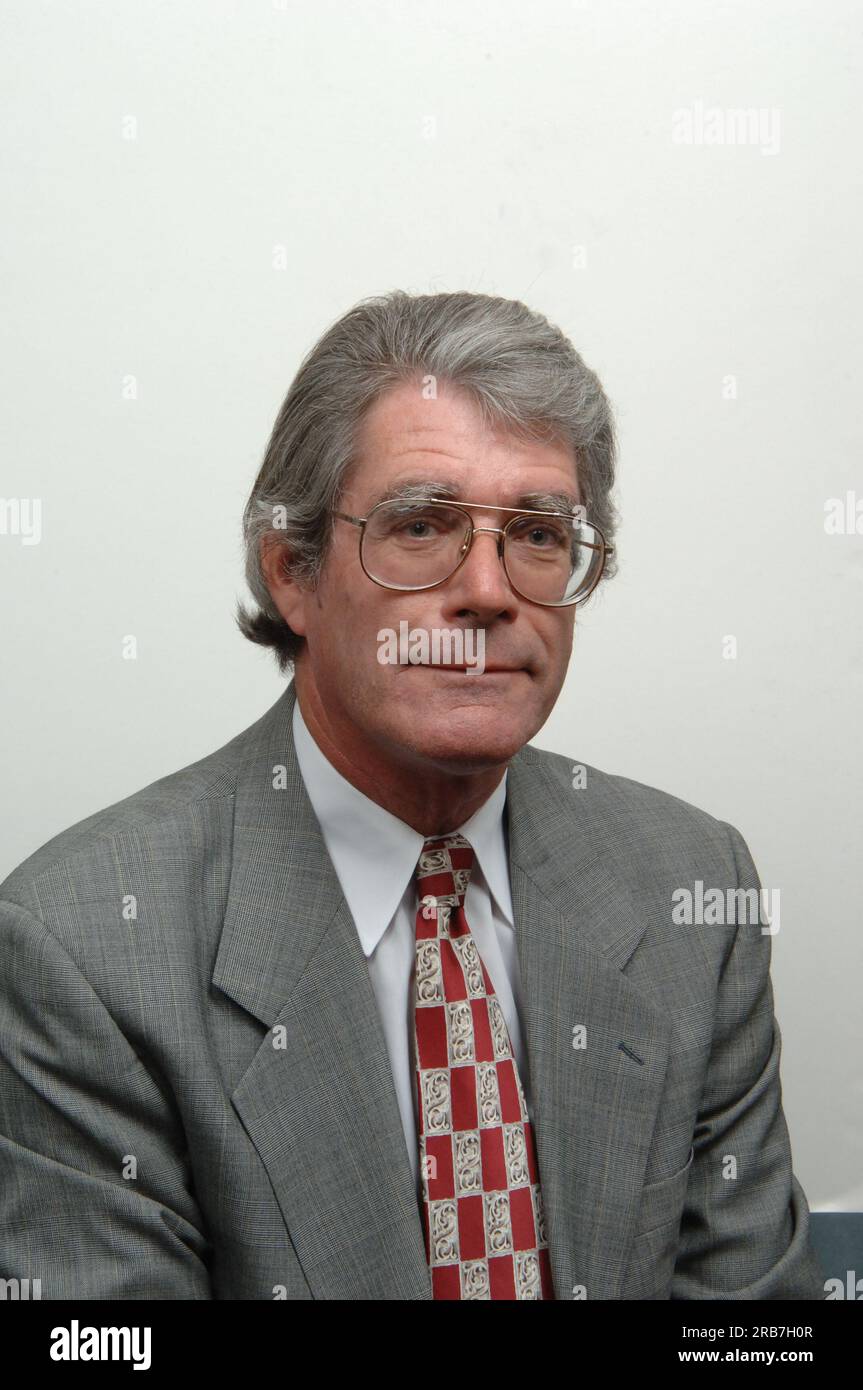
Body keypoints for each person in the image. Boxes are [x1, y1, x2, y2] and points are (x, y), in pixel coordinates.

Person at [0, 290, 823, 1299]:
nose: (487, 589)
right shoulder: (83, 947)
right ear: (293, 572)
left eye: (535, 532)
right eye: (421, 524)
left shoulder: (691, 891)